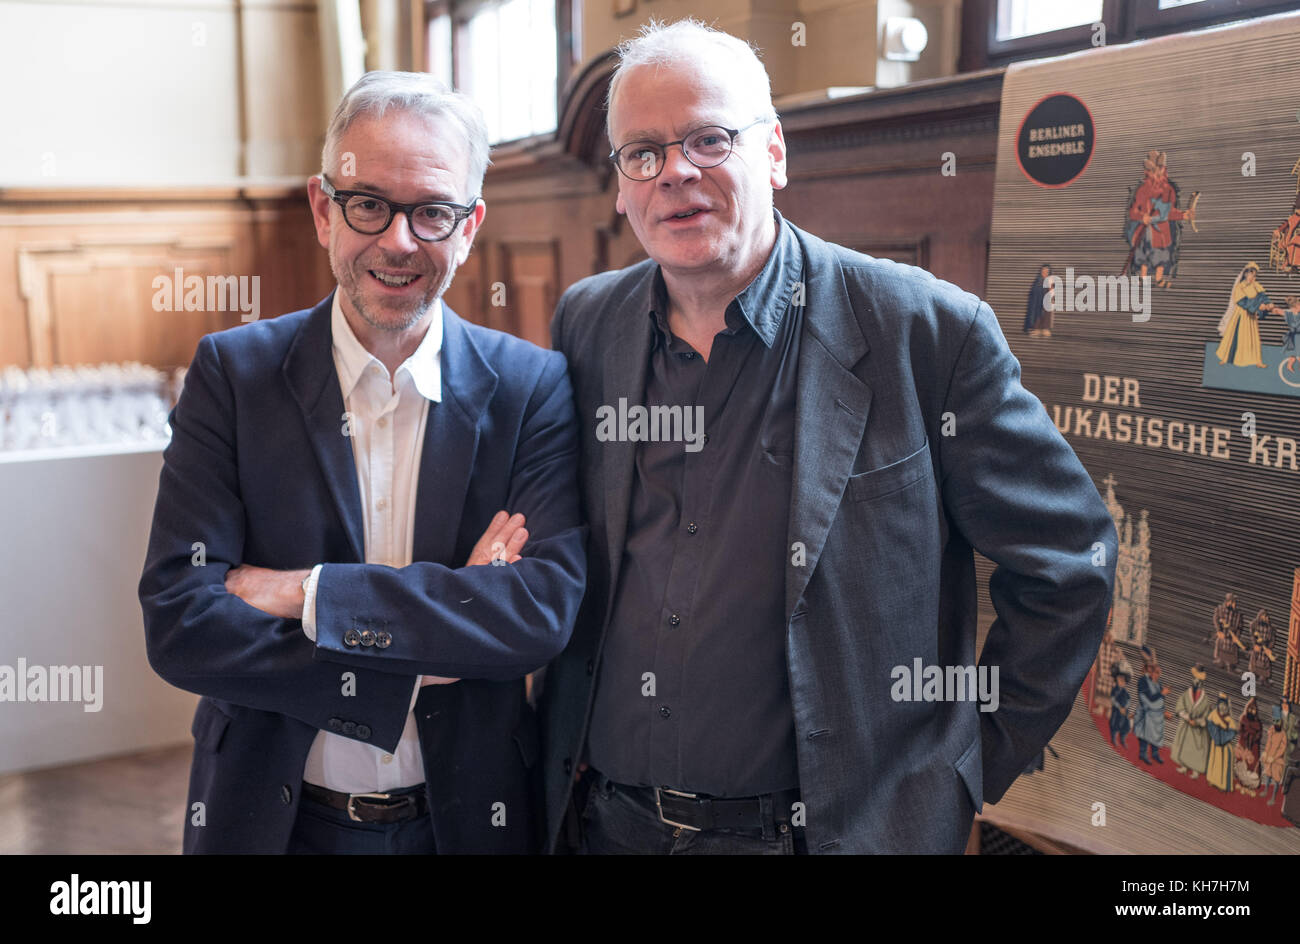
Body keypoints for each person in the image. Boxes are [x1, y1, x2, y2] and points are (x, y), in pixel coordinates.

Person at [539, 18, 1116, 855]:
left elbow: (1071, 566)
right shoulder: (588, 323)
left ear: (773, 151)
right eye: (643, 153)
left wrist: (965, 767)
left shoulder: (924, 332)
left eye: (708, 138)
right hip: (607, 826)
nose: (676, 174)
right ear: (622, 185)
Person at [138, 71, 587, 854]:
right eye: (369, 204)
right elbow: (181, 621)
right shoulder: (232, 376)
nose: (399, 241)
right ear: (323, 209)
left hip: (470, 822)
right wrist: (432, 643)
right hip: (271, 823)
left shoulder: (532, 386)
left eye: (433, 212)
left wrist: (304, 593)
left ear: (471, 225)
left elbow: (535, 616)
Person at [1215, 262, 1276, 368]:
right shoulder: (1240, 287)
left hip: (1251, 318)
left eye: (1255, 275)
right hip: (1241, 316)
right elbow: (1242, 301)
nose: (1253, 277)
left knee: (1254, 339)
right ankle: (1226, 358)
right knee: (1234, 336)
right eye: (1252, 274)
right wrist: (1258, 306)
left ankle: (1258, 361)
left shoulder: (1256, 286)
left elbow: (1262, 296)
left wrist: (1268, 304)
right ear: (1246, 274)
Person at [1172, 665, 1212, 779]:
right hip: (1186, 725)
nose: (1196, 682)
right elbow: (1180, 707)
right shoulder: (1186, 694)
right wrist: (1186, 717)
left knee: (1196, 750)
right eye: (1195, 679)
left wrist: (1198, 722)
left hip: (1198, 730)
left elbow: (1207, 716)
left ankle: (1195, 771)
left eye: (1199, 681)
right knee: (1184, 746)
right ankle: (1184, 766)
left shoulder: (1205, 699)